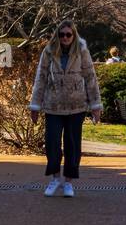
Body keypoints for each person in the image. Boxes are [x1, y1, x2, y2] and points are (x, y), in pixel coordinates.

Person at [28, 20, 103, 198]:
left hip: (76, 106)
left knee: (72, 144)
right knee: (52, 142)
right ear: (57, 35)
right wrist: (35, 105)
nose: (65, 38)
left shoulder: (82, 51)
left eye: (68, 34)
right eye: (62, 35)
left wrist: (95, 105)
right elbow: (41, 78)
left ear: (74, 35)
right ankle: (55, 178)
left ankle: (68, 182)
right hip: (53, 105)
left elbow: (90, 77)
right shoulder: (48, 51)